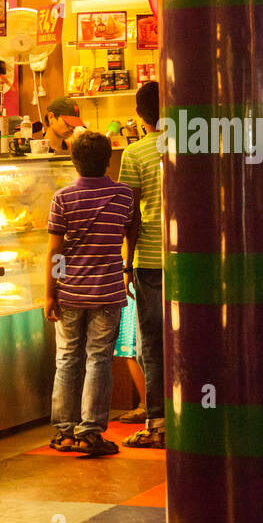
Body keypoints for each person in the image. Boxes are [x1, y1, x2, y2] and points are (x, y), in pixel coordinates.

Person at [44, 131, 139, 456]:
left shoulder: (63, 198)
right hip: (108, 292)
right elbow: (132, 229)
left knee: (67, 358)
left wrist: (50, 293)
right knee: (98, 360)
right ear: (109, 160)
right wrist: (126, 266)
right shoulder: (124, 195)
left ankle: (64, 433)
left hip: (70, 292)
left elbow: (56, 252)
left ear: (75, 161)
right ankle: (90, 434)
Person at [118, 81, 166, 448]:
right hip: (191, 260)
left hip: (150, 260)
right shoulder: (197, 146)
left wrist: (125, 262)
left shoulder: (134, 154)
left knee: (152, 340)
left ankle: (158, 423)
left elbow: (129, 216)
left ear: (140, 115)